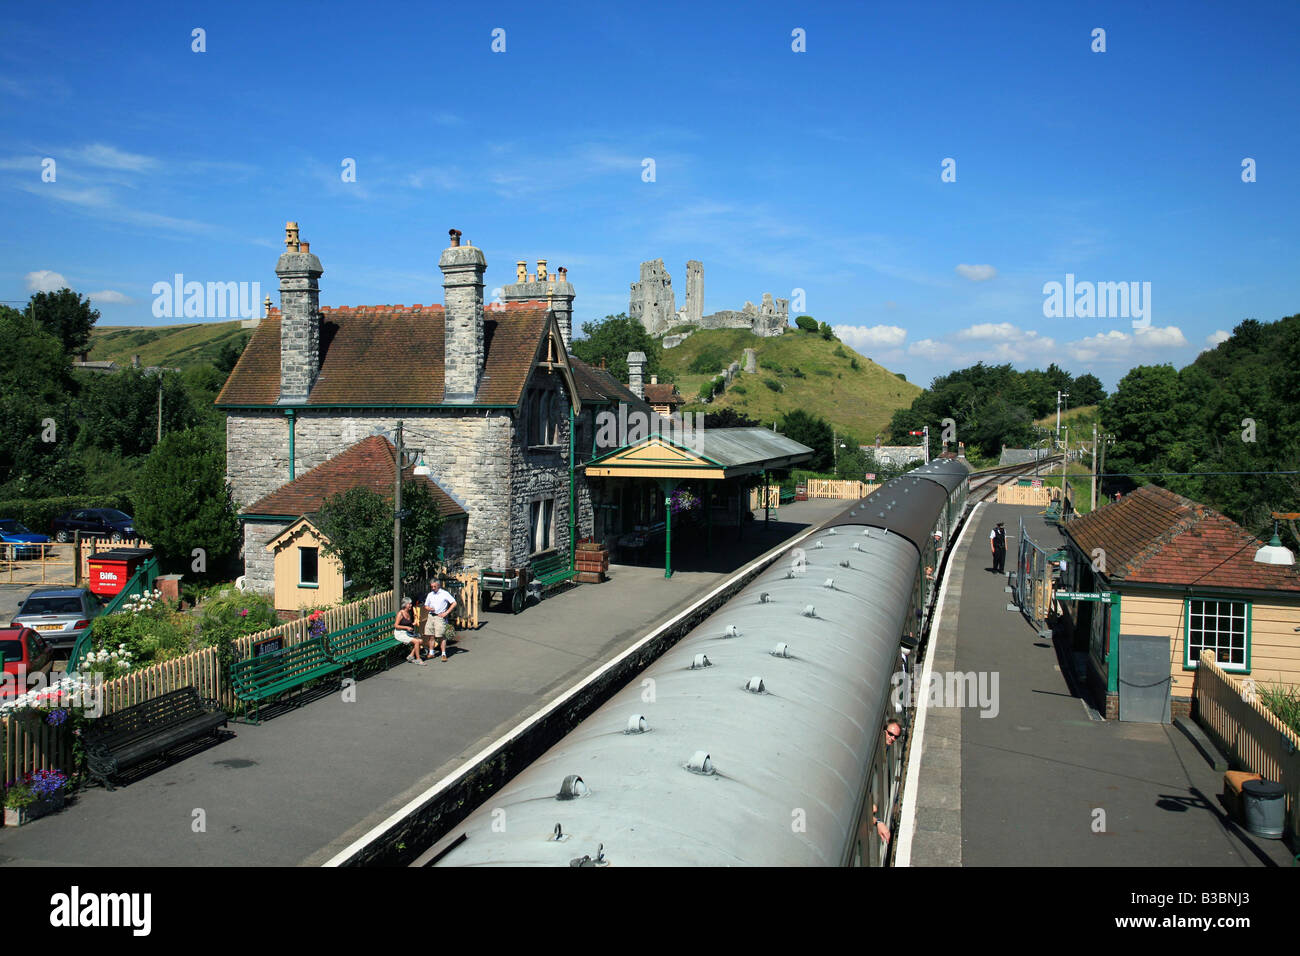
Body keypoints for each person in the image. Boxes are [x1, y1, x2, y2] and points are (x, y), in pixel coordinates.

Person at [424, 577, 456, 662]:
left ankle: (443, 654)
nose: (433, 588)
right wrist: (428, 608)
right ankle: (431, 653)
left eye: (434, 586)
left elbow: (454, 603)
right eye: (432, 587)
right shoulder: (430, 594)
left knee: (441, 636)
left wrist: (446, 613)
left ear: (438, 585)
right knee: (430, 635)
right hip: (431, 616)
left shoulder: (444, 593)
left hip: (439, 616)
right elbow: (426, 605)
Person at [394, 597, 422, 665]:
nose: (411, 605)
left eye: (411, 604)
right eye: (409, 604)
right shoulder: (400, 613)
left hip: (406, 633)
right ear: (405, 605)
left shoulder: (408, 612)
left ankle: (411, 656)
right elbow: (396, 625)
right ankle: (418, 659)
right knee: (416, 641)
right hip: (399, 633)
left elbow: (408, 623)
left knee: (420, 641)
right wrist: (406, 627)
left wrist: (413, 624)